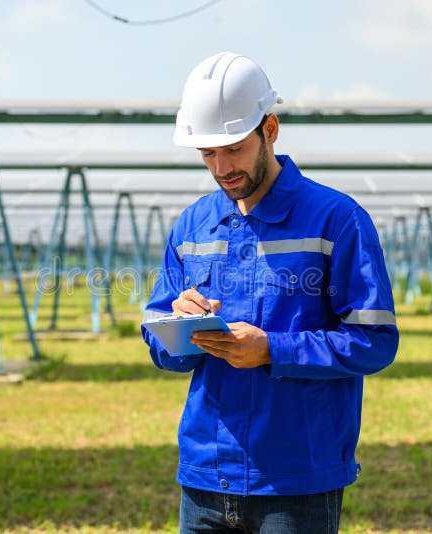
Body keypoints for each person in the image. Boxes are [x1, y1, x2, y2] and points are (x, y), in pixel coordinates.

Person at [141, 51, 399, 533]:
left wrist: (270, 351)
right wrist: (177, 327)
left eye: (234, 148)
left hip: (297, 479)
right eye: (208, 154)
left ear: (270, 129)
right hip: (206, 474)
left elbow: (375, 341)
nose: (221, 167)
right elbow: (159, 343)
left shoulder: (336, 220)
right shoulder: (192, 224)